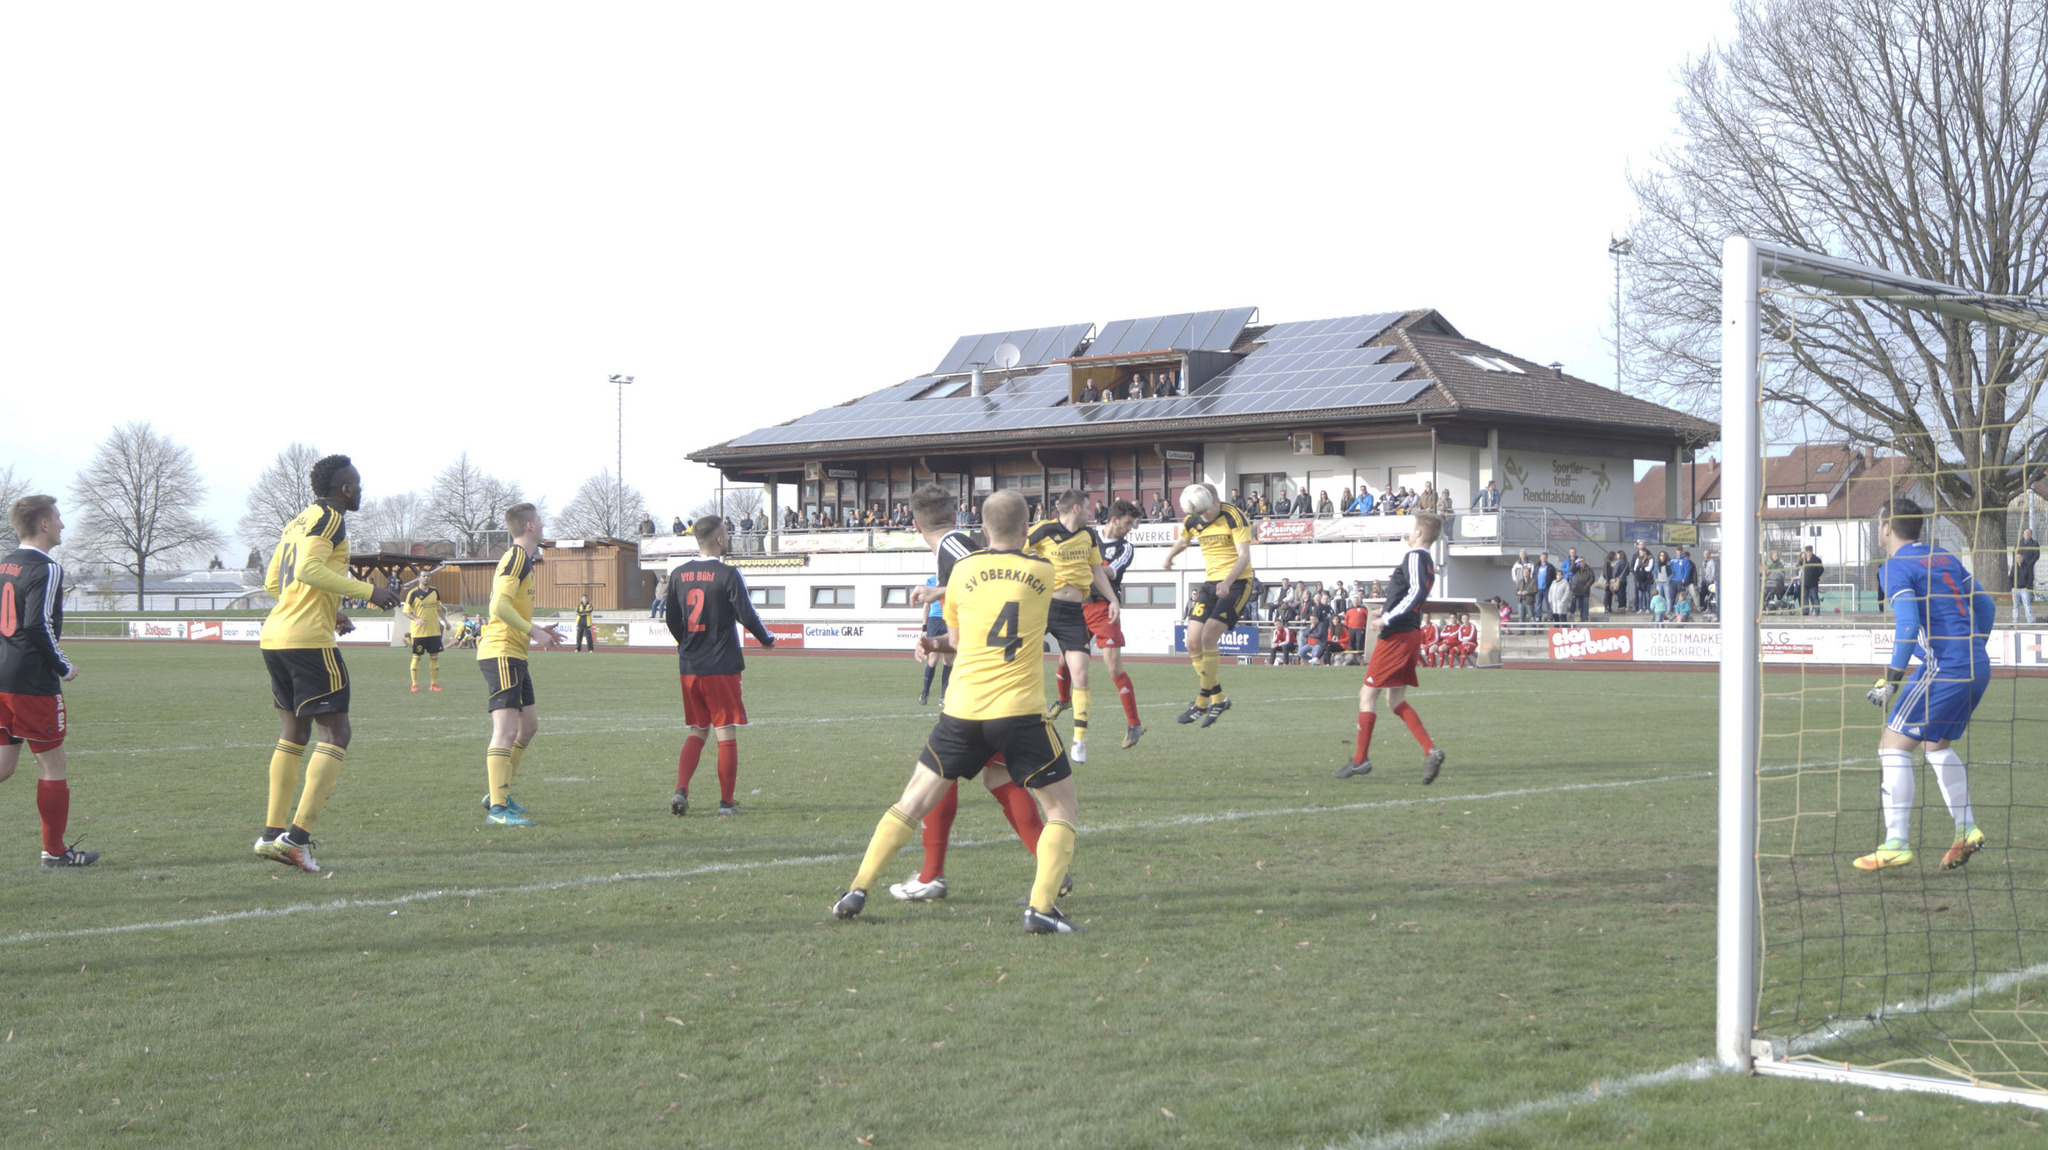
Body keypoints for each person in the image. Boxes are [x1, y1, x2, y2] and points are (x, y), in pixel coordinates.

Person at [833, 490, 1083, 934]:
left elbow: (961, 640)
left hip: (963, 710)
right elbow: (1065, 590)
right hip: (1019, 712)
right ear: (1027, 528)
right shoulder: (1043, 571)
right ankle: (1041, 909)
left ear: (982, 530)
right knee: (1061, 809)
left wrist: (933, 642)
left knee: (911, 801)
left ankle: (858, 887)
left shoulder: (963, 571)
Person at [890, 485, 1049, 903]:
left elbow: (985, 578)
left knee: (941, 773)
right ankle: (1051, 869)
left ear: (914, 522)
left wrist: (939, 593)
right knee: (996, 775)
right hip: (996, 684)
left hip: (983, 686)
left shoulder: (954, 547)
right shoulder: (955, 544)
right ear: (956, 514)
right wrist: (937, 641)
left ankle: (931, 875)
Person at [253, 455, 401, 872]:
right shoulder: (331, 518)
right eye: (358, 484)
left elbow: (274, 582)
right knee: (336, 733)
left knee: (293, 732)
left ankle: (270, 834)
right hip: (306, 641)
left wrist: (331, 609)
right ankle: (296, 840)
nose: (361, 490)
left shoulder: (297, 521)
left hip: (276, 636)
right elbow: (308, 568)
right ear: (346, 489)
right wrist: (366, 592)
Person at [1857, 497, 1995, 872]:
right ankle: (1966, 829)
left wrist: (1891, 680)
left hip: (1944, 667)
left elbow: (1905, 626)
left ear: (1887, 527)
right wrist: (1971, 648)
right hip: (1976, 666)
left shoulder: (1895, 567)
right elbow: (1986, 607)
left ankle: (1896, 842)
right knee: (1935, 744)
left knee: (1892, 745)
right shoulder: (1944, 556)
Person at [0, 495, 95, 867]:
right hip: (31, 681)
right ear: (43, 524)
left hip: (2, 674)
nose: (62, 524)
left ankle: (54, 850)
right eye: (57, 518)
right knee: (53, 766)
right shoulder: (48, 567)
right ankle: (55, 852)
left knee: (5, 765)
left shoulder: (5, 563)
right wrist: (63, 666)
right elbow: (36, 623)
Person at [666, 516, 776, 817]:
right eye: (725, 534)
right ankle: (726, 803)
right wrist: (766, 639)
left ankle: (681, 789)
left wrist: (686, 643)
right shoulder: (728, 574)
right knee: (725, 733)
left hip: (689, 666)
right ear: (718, 540)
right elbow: (746, 614)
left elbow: (671, 619)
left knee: (696, 730)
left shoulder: (677, 574)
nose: (726, 538)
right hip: (721, 666)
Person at [1338, 514, 1446, 784]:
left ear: (1419, 534)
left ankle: (1360, 760)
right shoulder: (1428, 562)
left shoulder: (1414, 556)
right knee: (1394, 700)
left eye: (1412, 530)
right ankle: (1430, 750)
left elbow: (1415, 592)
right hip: (1410, 633)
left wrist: (1386, 618)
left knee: (1366, 695)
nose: (1410, 534)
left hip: (1397, 635)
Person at [477, 503, 564, 827]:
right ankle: (498, 809)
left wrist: (536, 629)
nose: (543, 524)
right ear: (529, 526)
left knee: (528, 727)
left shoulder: (524, 560)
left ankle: (497, 793)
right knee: (506, 730)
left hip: (514, 652)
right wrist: (535, 631)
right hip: (500, 652)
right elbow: (497, 606)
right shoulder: (516, 557)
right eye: (539, 519)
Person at [1028, 491, 1121, 763]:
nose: (1093, 511)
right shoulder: (1044, 530)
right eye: (1089, 506)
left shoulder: (1089, 535)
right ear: (1077, 508)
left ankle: (1079, 740)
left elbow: (1096, 572)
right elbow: (1013, 552)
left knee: (1081, 674)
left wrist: (1113, 599)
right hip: (1043, 607)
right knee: (1017, 661)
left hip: (1073, 613)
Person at [1163, 484, 1254, 728]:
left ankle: (1202, 701)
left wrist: (1228, 581)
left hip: (1237, 582)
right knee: (1192, 641)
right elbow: (1184, 541)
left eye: (1206, 510)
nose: (1203, 516)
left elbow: (1244, 555)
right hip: (1211, 583)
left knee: (1209, 636)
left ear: (1216, 500)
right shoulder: (1194, 517)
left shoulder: (1233, 515)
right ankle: (1219, 698)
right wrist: (1169, 556)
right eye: (1198, 512)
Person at [1073, 500, 1145, 748]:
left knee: (1113, 667)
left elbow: (1109, 573)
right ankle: (1061, 701)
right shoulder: (1088, 536)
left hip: (1105, 608)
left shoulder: (1126, 548)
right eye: (1127, 523)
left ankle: (1134, 723)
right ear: (1114, 520)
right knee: (1064, 660)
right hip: (1080, 604)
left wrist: (1083, 566)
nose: (1130, 528)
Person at [403, 573, 448, 690]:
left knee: (434, 657)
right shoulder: (413, 593)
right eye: (423, 576)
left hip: (434, 631)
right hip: (419, 632)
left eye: (428, 576)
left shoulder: (435, 591)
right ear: (418, 578)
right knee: (416, 657)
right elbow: (406, 611)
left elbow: (438, 609)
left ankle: (434, 684)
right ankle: (414, 684)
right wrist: (416, 619)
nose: (426, 578)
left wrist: (445, 622)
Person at [2015, 528, 2040, 625]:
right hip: (2020, 566)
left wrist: (2030, 564)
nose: (2027, 534)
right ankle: (2016, 621)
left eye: (2029, 533)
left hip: (2029, 567)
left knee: (2029, 580)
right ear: (2023, 534)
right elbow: (2015, 552)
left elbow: (2037, 555)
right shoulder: (2019, 543)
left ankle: (2029, 595)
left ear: (2031, 534)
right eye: (2026, 533)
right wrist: (2017, 562)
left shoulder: (2035, 544)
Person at [1799, 545, 1825, 615]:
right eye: (1807, 551)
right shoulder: (1803, 560)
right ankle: (1805, 611)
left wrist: (1815, 576)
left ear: (1812, 551)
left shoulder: (1816, 560)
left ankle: (1816, 611)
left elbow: (1821, 570)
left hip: (1813, 582)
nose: (1808, 552)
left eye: (1810, 551)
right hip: (1805, 582)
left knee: (1814, 597)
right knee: (1804, 597)